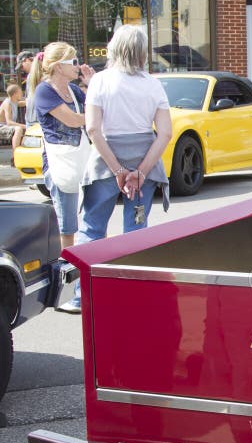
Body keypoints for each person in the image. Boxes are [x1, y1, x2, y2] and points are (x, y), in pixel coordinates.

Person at [71, 25, 172, 314]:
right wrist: (140, 171)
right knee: (136, 231)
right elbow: (164, 133)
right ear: (142, 52)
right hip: (145, 160)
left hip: (105, 161)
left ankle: (83, 294)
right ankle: (131, 290)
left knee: (92, 228)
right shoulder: (153, 84)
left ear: (114, 47)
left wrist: (117, 169)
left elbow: (92, 128)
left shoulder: (100, 81)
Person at [31, 43, 95, 263]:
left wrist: (92, 84)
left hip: (81, 160)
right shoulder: (44, 91)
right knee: (67, 226)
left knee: (90, 218)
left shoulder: (75, 90)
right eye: (74, 62)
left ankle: (81, 268)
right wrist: (93, 117)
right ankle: (65, 271)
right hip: (61, 164)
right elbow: (73, 119)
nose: (78, 65)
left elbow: (95, 110)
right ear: (58, 66)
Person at [0, 84, 25, 150]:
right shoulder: (7, 103)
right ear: (15, 94)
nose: (22, 94)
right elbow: (9, 122)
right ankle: (15, 156)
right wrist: (24, 126)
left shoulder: (15, 102)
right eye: (20, 92)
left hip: (6, 127)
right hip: (1, 127)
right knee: (18, 129)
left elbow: (25, 103)